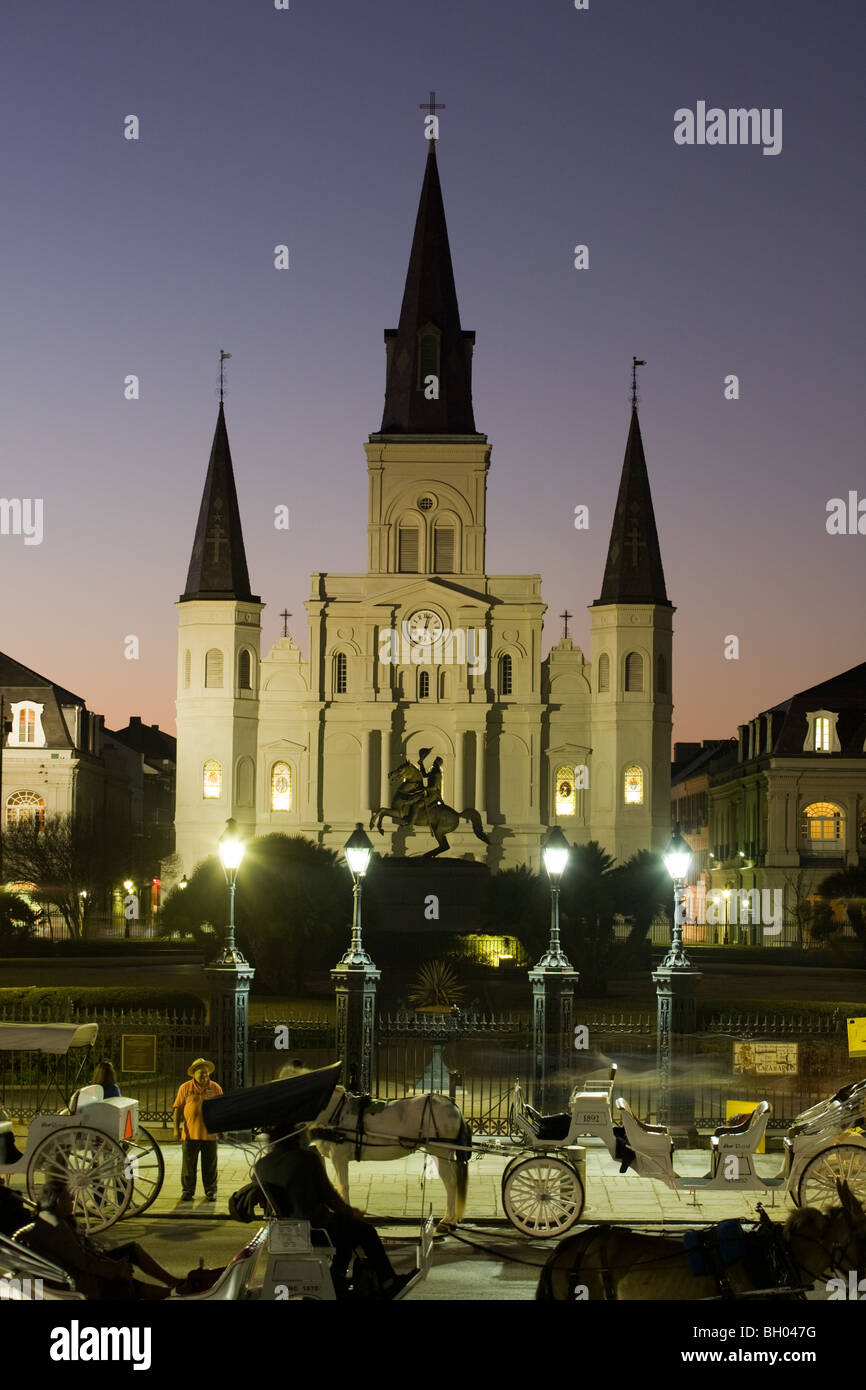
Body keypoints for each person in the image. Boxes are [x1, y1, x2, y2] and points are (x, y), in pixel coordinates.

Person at [255, 1121, 413, 1299]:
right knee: (365, 1231)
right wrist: (351, 1212)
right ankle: (388, 1281)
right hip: (315, 1228)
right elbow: (329, 1196)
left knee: (347, 1233)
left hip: (285, 1231)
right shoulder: (306, 1159)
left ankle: (334, 1280)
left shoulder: (261, 1165)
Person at [15, 1181, 183, 1300]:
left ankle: (174, 1289)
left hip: (80, 1269)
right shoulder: (58, 1227)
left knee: (131, 1253)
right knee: (127, 1281)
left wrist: (114, 1265)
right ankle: (175, 1292)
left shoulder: (49, 1219)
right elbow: (84, 1261)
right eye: (70, 1199)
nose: (73, 1202)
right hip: (80, 1280)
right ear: (59, 1202)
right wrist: (116, 1268)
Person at [172, 1058, 223, 1202]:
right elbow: (177, 1109)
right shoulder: (185, 1088)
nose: (205, 1076)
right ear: (193, 1074)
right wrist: (176, 1130)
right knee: (189, 1166)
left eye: (207, 1073)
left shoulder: (215, 1088)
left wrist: (222, 1130)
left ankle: (211, 1191)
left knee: (210, 1166)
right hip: (190, 1134)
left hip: (210, 1134)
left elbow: (221, 1110)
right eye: (201, 1073)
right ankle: (188, 1191)